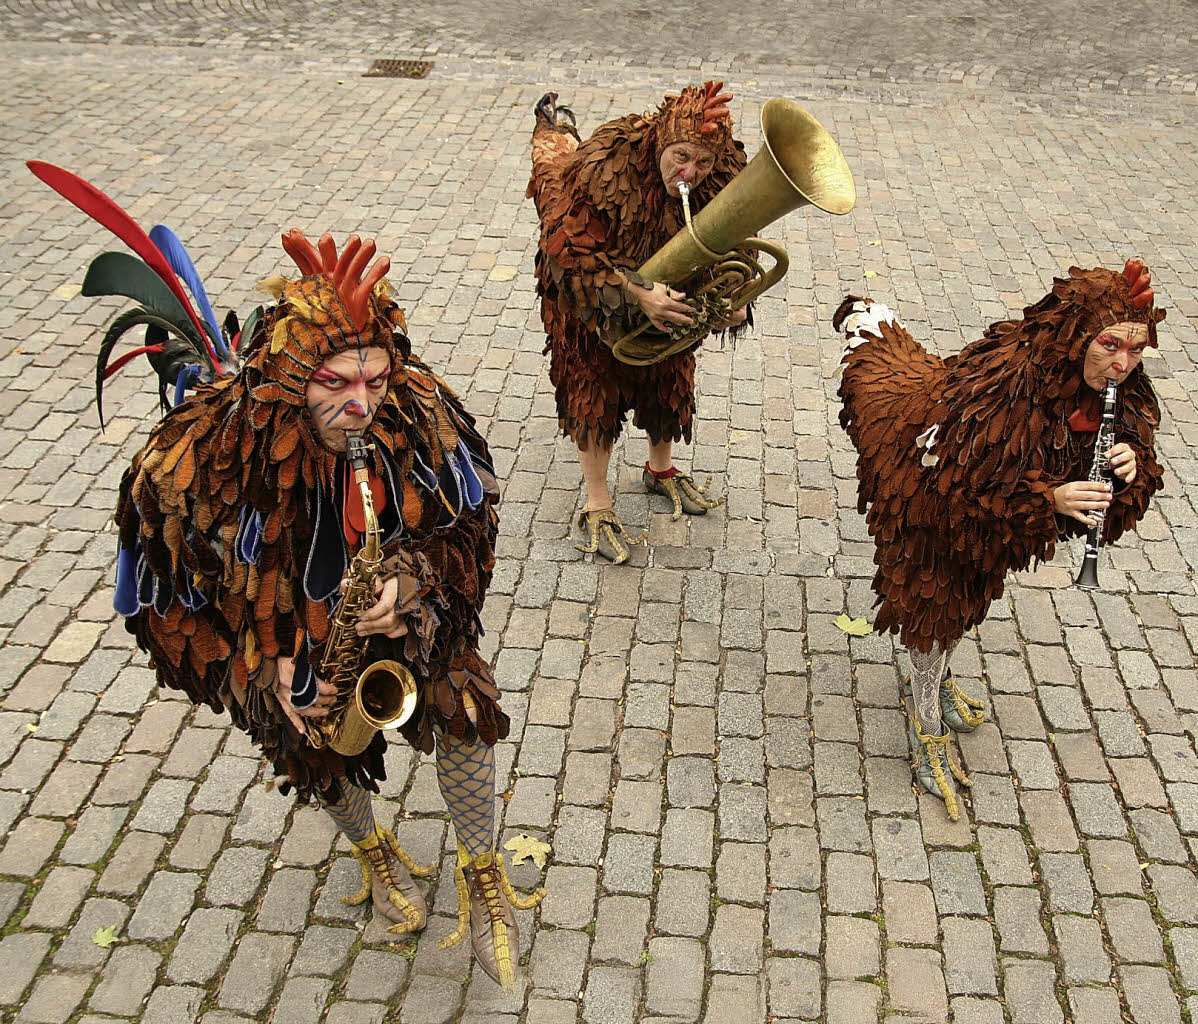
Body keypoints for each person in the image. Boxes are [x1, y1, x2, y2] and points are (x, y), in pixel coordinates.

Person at [40, 183, 543, 987]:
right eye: (337, 383)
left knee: (467, 708)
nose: (360, 405)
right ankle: (372, 849)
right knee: (313, 752)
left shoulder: (413, 410)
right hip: (281, 635)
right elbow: (166, 583)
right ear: (286, 376)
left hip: (397, 615)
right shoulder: (201, 452)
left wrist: (414, 584)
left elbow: (472, 524)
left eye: (375, 380)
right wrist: (255, 660)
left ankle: (481, 870)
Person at [834, 261, 1165, 820]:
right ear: (1074, 338)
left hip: (980, 530)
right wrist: (1047, 500)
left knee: (966, 595)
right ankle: (926, 732)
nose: (1122, 364)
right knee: (934, 598)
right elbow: (967, 484)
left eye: (1136, 351)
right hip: (925, 498)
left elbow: (1110, 494)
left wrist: (1133, 469)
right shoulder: (1006, 388)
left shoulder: (1116, 391)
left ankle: (932, 680)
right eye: (1109, 345)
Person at [527, 82, 752, 562]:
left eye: (703, 163)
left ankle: (660, 469)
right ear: (662, 142)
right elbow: (566, 252)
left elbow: (741, 238)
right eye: (681, 157)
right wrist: (633, 291)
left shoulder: (723, 168)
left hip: (667, 297)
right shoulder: (606, 162)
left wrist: (737, 299)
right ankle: (597, 499)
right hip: (588, 293)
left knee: (668, 378)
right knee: (591, 386)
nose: (690, 174)